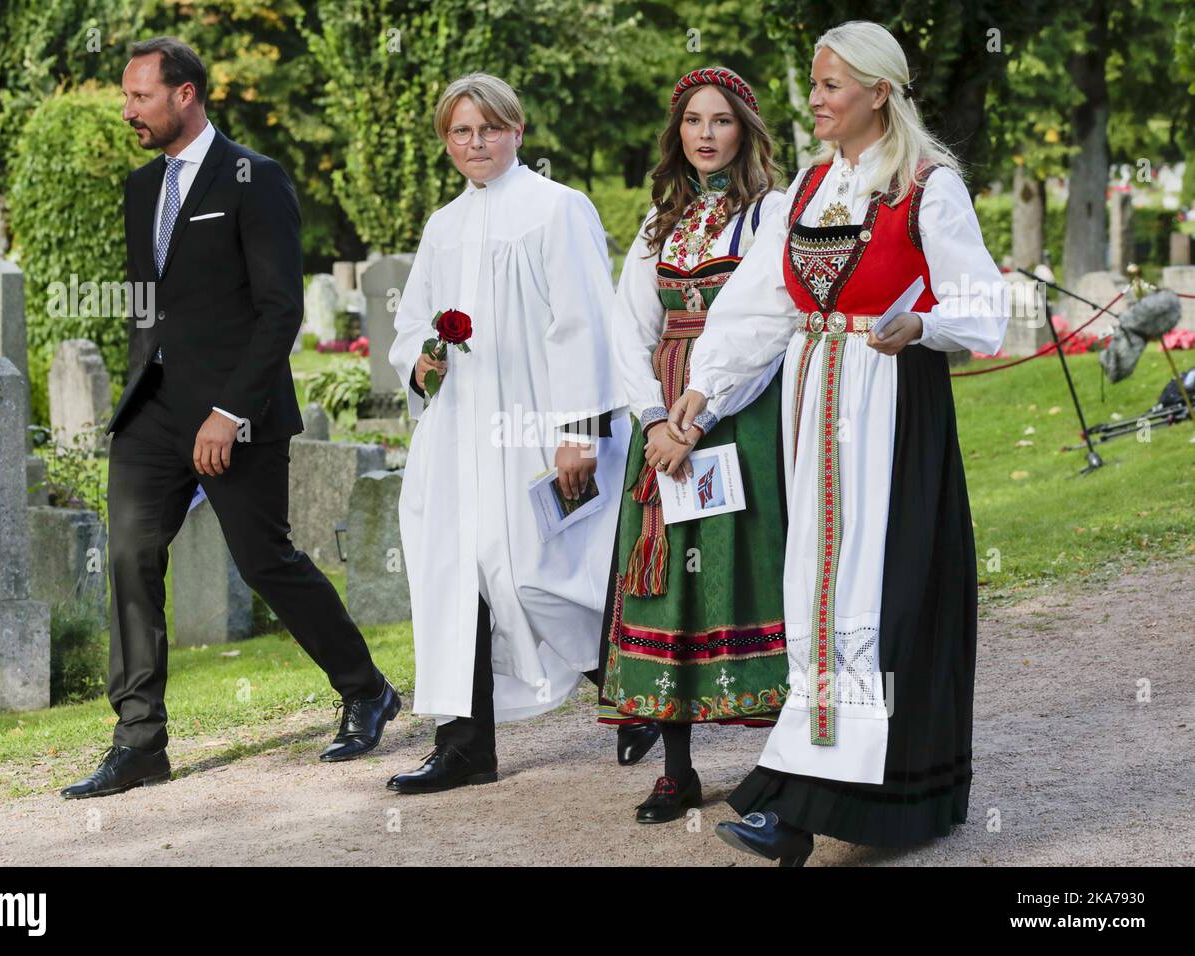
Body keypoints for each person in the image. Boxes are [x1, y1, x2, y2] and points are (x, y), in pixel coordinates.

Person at [667, 21, 1008, 863]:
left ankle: (800, 809)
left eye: (830, 86)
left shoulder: (928, 187)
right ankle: (857, 797)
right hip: (815, 403)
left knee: (875, 597)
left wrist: (923, 322)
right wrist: (703, 394)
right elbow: (761, 305)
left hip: (893, 405)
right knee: (817, 594)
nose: (815, 100)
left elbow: (986, 307)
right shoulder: (809, 189)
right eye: (815, 84)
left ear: (878, 92)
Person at [62, 37, 399, 800]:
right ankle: (140, 740)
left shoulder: (257, 178)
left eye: (139, 96)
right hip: (152, 412)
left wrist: (227, 412)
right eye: (127, 96)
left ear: (185, 94)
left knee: (265, 560)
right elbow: (148, 305)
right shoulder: (140, 188)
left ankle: (366, 688)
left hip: (235, 412)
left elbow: (280, 309)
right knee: (129, 556)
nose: (127, 110)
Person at [386, 73, 642, 794]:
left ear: (517, 130)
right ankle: (464, 745)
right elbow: (412, 323)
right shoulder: (444, 226)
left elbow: (584, 322)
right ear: (446, 142)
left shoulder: (557, 210)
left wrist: (579, 432)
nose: (476, 143)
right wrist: (421, 361)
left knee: (538, 575)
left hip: (533, 424)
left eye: (489, 128)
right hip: (458, 432)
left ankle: (633, 692)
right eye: (462, 132)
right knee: (451, 575)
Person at [598, 67, 790, 824]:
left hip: (739, 416)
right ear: (677, 133)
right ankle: (677, 770)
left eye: (721, 120)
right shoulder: (658, 224)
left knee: (750, 573)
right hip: (662, 422)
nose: (705, 134)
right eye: (692, 121)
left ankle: (783, 769)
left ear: (745, 129)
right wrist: (653, 423)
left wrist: (698, 422)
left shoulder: (774, 214)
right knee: (668, 585)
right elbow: (628, 327)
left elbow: (766, 324)